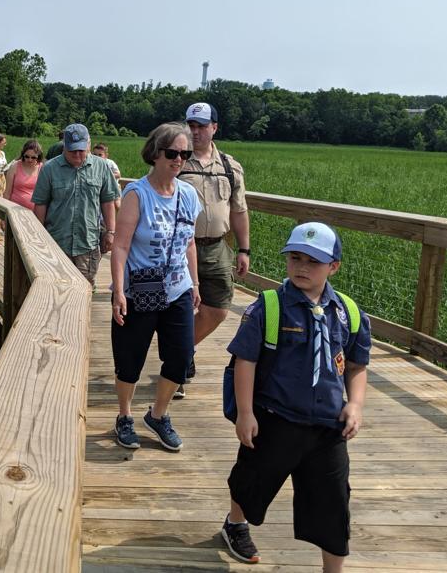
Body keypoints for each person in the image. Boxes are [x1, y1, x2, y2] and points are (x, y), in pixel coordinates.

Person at [221, 222, 370, 570]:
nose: (302, 267)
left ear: (334, 266)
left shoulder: (347, 313)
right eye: (296, 258)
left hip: (327, 428)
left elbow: (357, 366)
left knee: (333, 504)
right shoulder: (268, 307)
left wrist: (355, 404)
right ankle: (236, 522)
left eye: (314, 262)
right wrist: (246, 413)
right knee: (252, 480)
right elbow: (247, 360)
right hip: (276, 418)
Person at [110, 123, 201, 452]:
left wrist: (195, 282)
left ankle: (158, 415)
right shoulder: (137, 193)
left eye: (185, 154)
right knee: (130, 358)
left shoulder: (189, 194)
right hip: (139, 290)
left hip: (177, 289)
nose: (179, 160)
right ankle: (124, 416)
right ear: (155, 153)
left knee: (180, 357)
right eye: (172, 153)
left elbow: (189, 242)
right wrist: (119, 291)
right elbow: (120, 246)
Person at [174, 102, 251, 399]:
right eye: (191, 126)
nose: (195, 132)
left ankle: (183, 348)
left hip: (217, 245)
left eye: (201, 126)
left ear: (214, 128)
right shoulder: (177, 159)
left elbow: (239, 210)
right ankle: (177, 366)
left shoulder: (230, 167)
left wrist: (244, 249)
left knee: (218, 308)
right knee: (180, 308)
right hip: (181, 248)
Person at [31, 123, 119, 286]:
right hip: (56, 243)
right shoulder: (49, 169)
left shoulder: (102, 167)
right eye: (72, 151)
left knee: (85, 289)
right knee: (55, 288)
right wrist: (39, 239)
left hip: (87, 243)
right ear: (64, 146)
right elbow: (40, 205)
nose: (77, 155)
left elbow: (108, 201)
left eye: (81, 150)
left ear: (89, 144)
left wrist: (111, 231)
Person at [3, 139, 43, 211]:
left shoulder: (41, 168)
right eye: (27, 156)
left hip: (34, 212)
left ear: (38, 156)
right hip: (14, 210)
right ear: (23, 154)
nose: (30, 159)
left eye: (33, 157)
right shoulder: (15, 166)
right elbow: (7, 193)